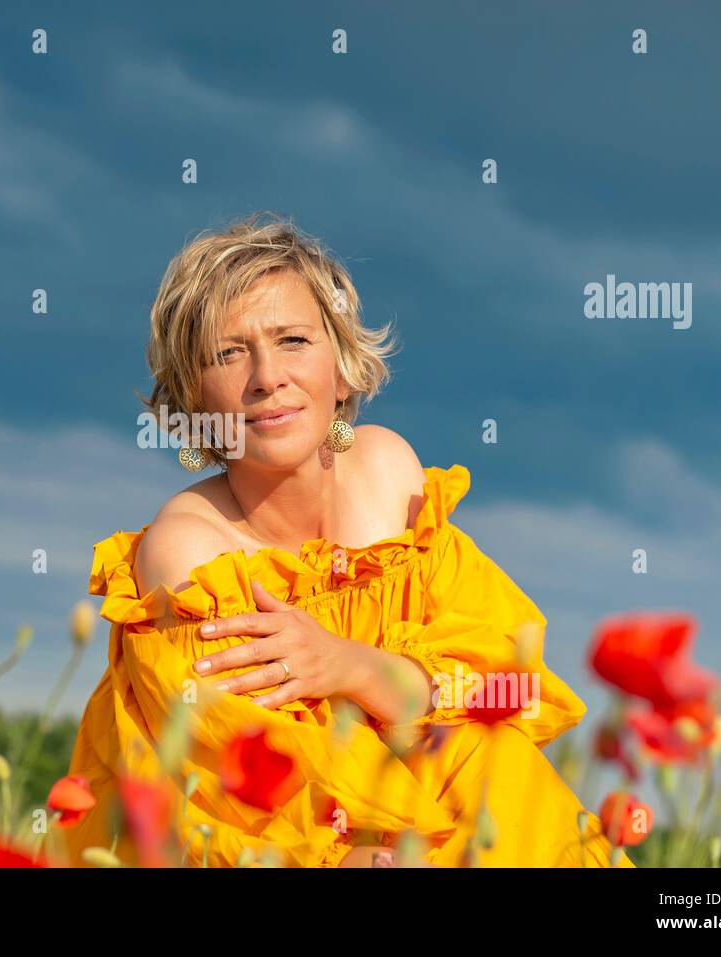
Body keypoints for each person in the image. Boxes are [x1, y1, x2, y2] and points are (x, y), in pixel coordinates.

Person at [62, 211, 632, 867]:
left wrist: (348, 664)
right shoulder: (189, 555)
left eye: (293, 340)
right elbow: (242, 794)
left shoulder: (390, 475)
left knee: (498, 760)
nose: (267, 375)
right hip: (287, 848)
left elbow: (498, 687)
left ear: (342, 368)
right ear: (196, 398)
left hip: (433, 817)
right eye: (228, 352)